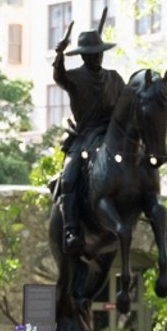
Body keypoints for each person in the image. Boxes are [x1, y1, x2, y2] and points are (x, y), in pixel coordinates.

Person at [51, 17, 126, 254]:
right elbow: (59, 77)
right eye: (91, 54)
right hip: (85, 136)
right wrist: (59, 55)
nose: (96, 57)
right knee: (69, 177)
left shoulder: (114, 78)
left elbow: (126, 105)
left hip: (113, 136)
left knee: (141, 164)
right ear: (83, 56)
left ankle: (164, 226)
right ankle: (71, 229)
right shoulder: (74, 78)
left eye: (98, 53)